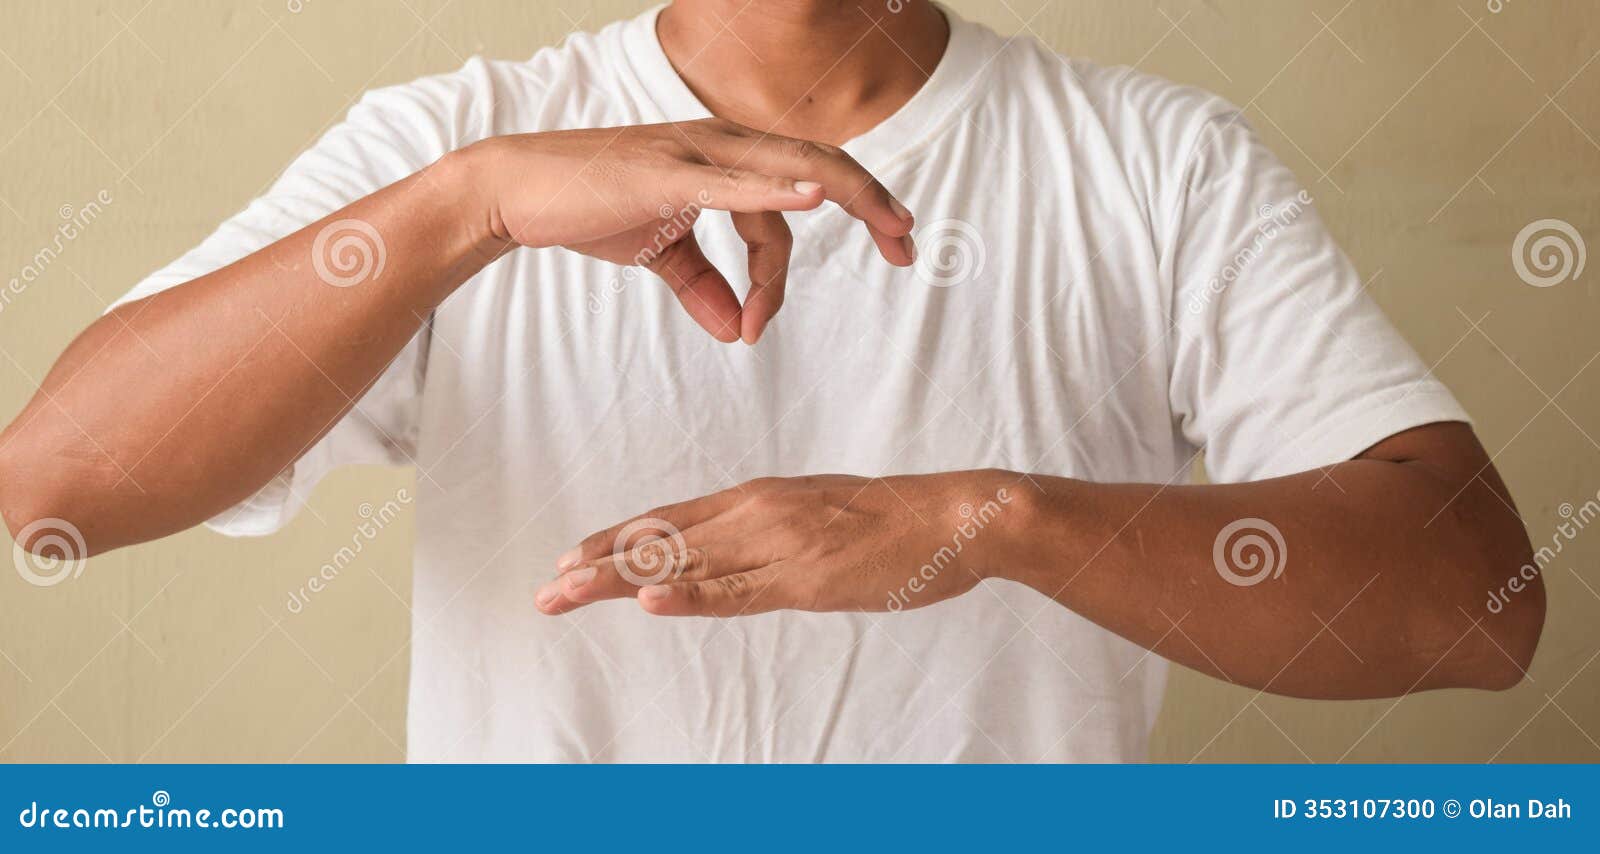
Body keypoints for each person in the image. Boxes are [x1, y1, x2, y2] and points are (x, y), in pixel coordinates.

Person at [0, 1, 1542, 762]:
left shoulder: (1159, 164)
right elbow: (53, 488)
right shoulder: (460, 145)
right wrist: (457, 212)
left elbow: (1480, 604)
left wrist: (990, 517)